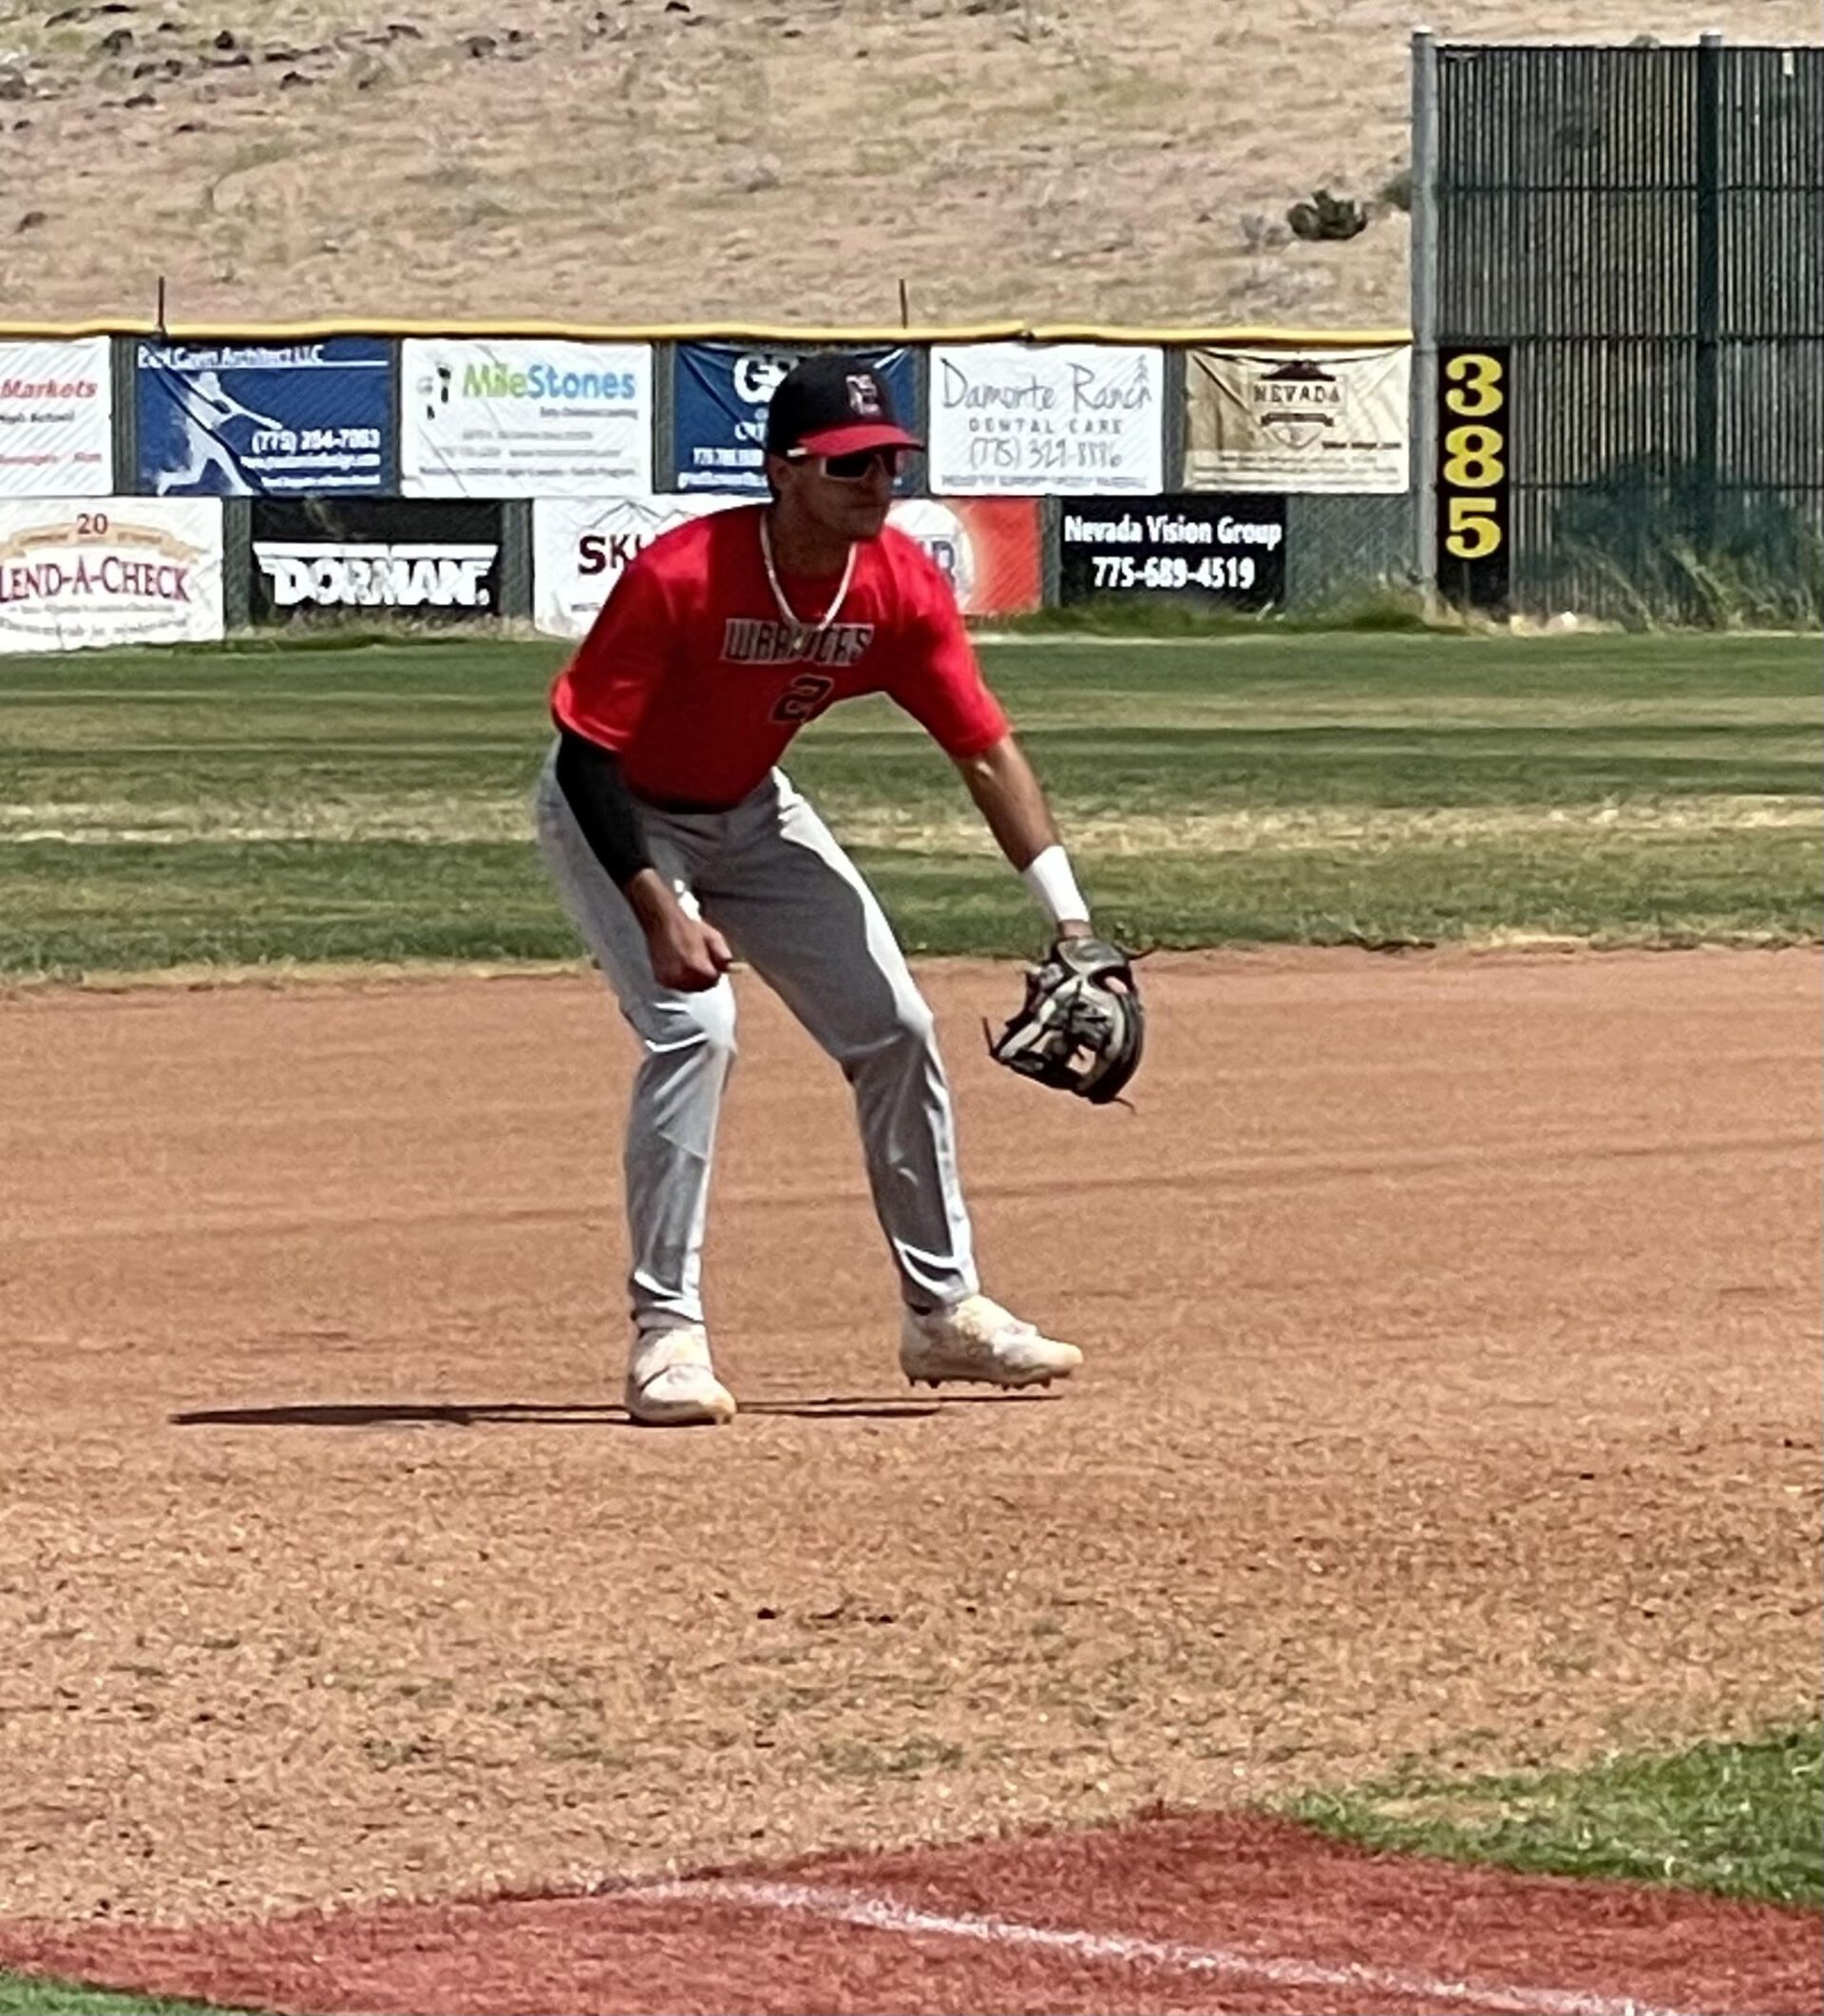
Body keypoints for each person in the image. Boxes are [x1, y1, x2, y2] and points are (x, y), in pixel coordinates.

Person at [535, 352, 1101, 1427]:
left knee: (894, 1025)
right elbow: (586, 755)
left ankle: (942, 1312)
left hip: (752, 808)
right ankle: (667, 1336)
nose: (876, 485)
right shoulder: (682, 575)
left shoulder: (896, 586)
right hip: (620, 815)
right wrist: (659, 906)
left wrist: (1069, 921)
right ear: (782, 471)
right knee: (695, 1030)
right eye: (848, 468)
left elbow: (982, 750)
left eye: (888, 463)